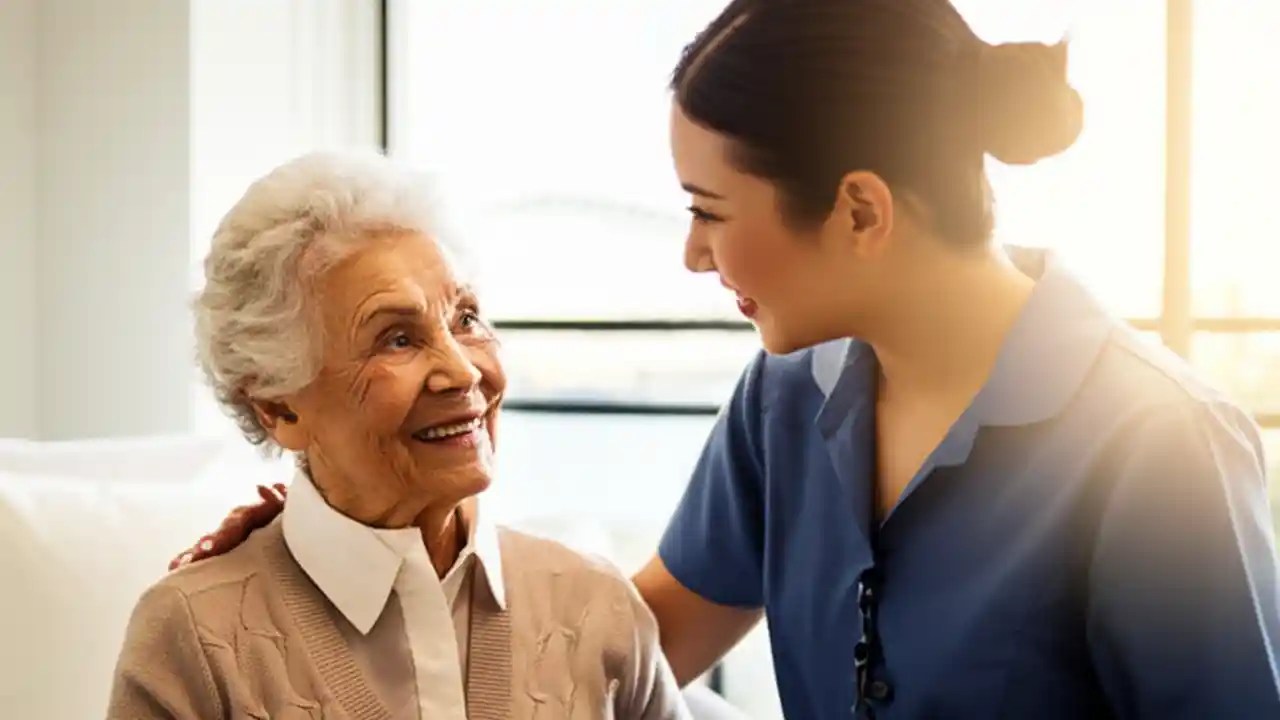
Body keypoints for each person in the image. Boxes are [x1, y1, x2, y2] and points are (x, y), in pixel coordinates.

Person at [171, 1, 1280, 718]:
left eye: (710, 209)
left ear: (857, 210)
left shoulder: (1159, 451)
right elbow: (601, 650)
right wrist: (339, 541)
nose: (694, 252)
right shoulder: (787, 403)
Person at [109, 151, 691, 719]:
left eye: (466, 319)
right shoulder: (194, 641)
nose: (463, 371)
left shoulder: (598, 608)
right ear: (276, 407)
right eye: (397, 339)